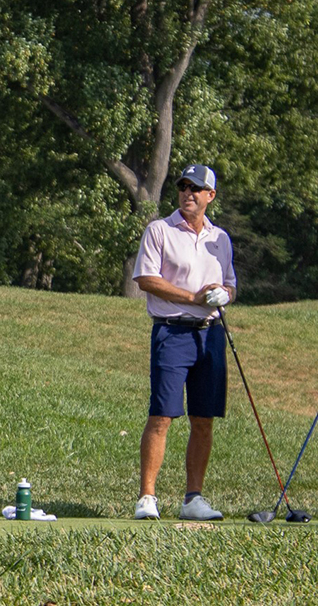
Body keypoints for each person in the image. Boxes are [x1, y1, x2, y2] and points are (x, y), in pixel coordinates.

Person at [132, 164, 236, 521]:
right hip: (171, 331)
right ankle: (148, 497)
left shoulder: (220, 239)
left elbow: (231, 285)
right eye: (183, 187)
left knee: (204, 418)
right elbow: (146, 279)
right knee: (162, 415)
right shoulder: (159, 230)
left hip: (210, 334)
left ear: (211, 196)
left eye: (196, 189)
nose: (188, 193)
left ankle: (193, 499)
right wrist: (193, 297)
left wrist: (222, 294)